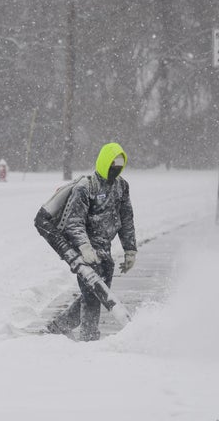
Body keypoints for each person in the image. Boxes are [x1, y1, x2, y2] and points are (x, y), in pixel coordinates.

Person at [46, 142, 137, 341]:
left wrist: (130, 249)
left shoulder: (121, 186)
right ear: (104, 162)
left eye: (119, 165)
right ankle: (89, 337)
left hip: (105, 249)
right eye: (113, 164)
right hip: (84, 250)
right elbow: (74, 222)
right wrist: (84, 247)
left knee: (98, 293)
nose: (116, 169)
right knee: (91, 295)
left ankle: (59, 326)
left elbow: (126, 218)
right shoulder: (85, 187)